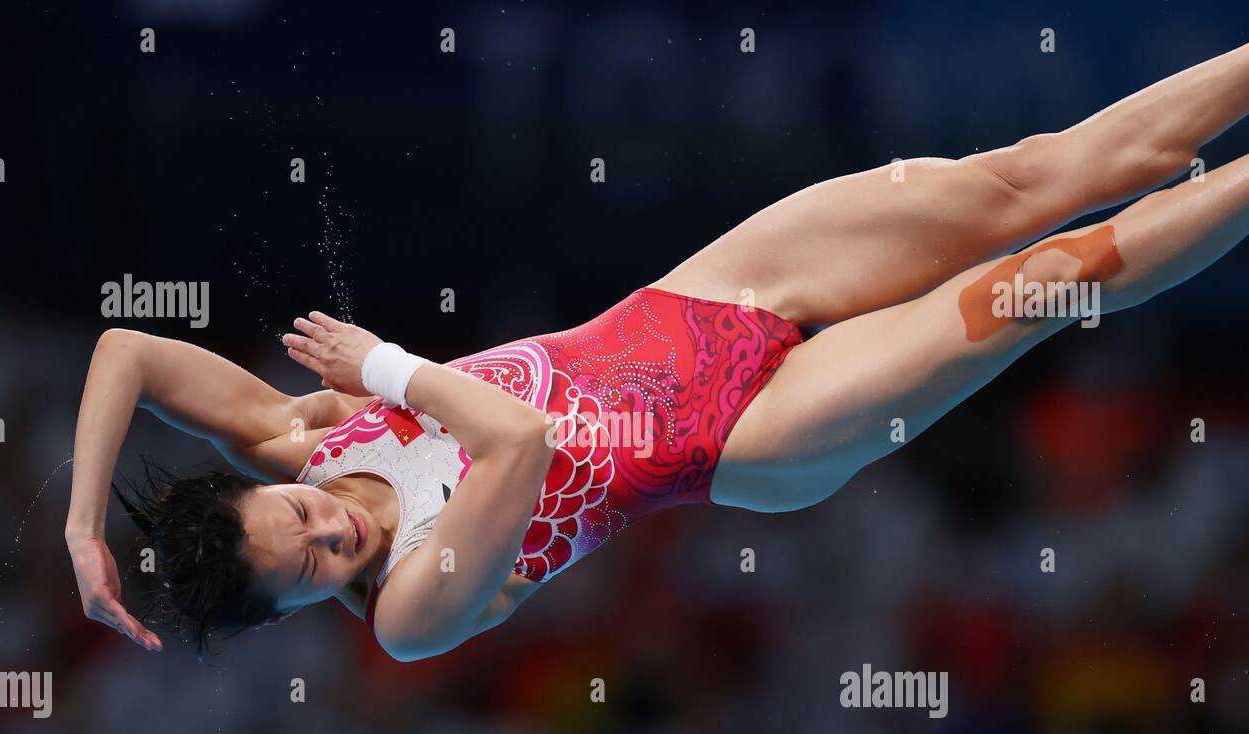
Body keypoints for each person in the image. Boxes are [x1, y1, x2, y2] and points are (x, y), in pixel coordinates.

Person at [67, 44, 1249, 661]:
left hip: (697, 296)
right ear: (298, 610)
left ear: (269, 482)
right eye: (315, 565)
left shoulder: (292, 440)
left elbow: (123, 348)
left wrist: (81, 527)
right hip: (745, 434)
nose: (338, 532)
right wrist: (385, 367)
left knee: (1029, 175)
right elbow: (516, 442)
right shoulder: (410, 610)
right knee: (1045, 281)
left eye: (304, 519)